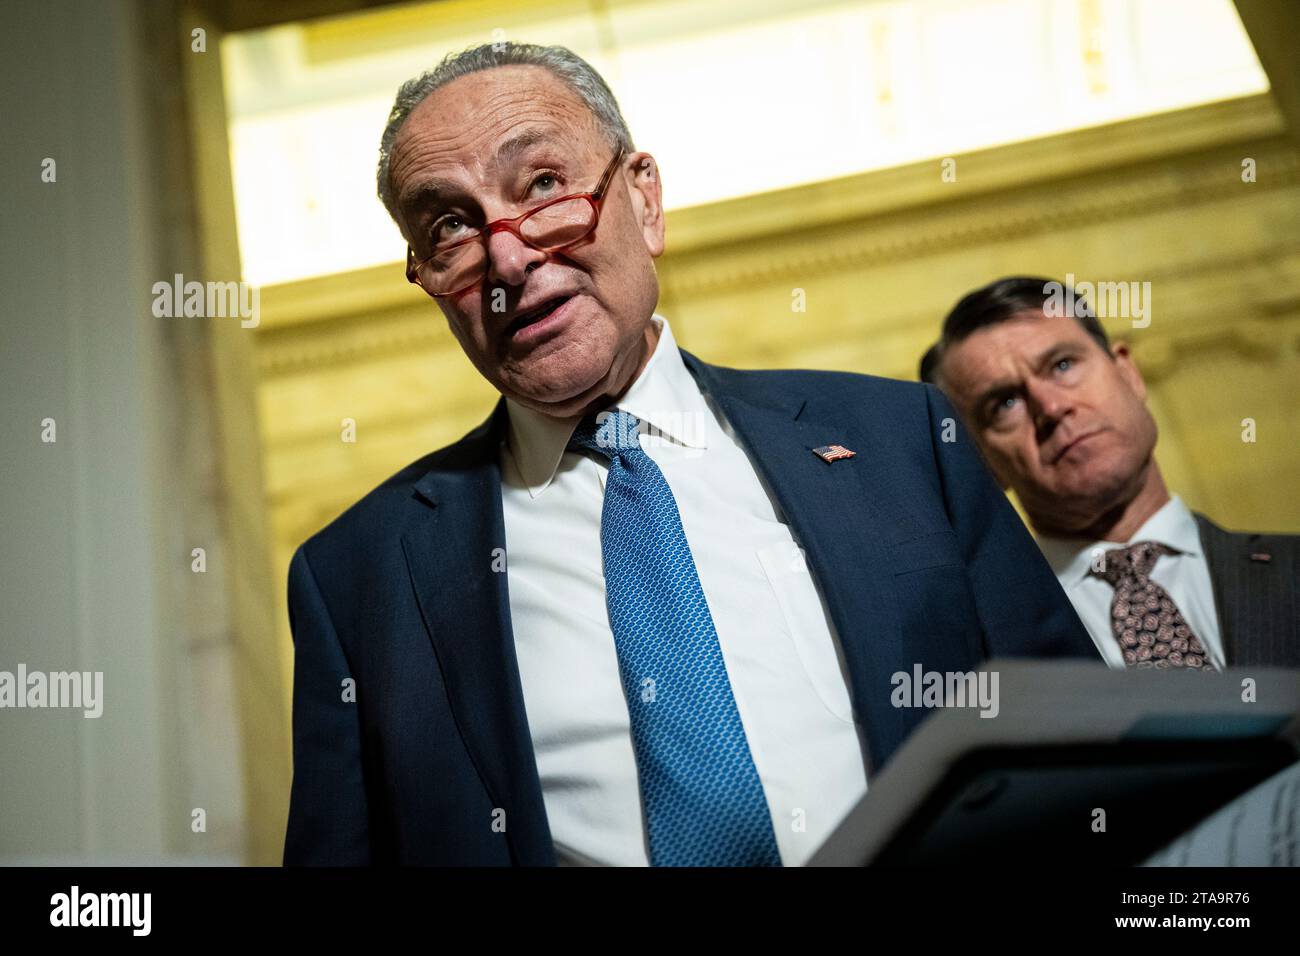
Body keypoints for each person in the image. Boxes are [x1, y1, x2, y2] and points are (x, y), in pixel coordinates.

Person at [283, 45, 1096, 868]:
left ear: (645, 201)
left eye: (542, 186)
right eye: (449, 227)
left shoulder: (903, 438)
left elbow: (1088, 749)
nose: (509, 258)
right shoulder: (358, 576)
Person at [920, 276, 1298, 673]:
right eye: (1004, 403)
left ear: (1129, 373)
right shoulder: (978, 658)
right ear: (979, 460)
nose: (1050, 407)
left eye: (1062, 364)